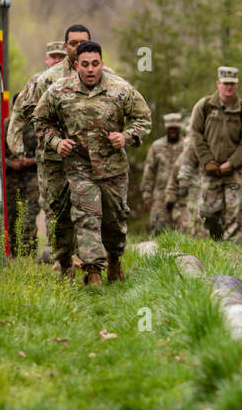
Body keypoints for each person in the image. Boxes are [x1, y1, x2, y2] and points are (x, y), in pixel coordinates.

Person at [33, 39, 152, 285]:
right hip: (78, 167)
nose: (90, 69)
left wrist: (126, 136)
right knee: (86, 218)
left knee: (115, 222)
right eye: (85, 64)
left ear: (102, 64)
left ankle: (115, 259)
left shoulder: (120, 89)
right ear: (76, 65)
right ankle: (93, 272)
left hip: (113, 169)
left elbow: (143, 118)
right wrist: (56, 142)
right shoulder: (59, 91)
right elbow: (40, 120)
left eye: (95, 64)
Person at [7, 25, 98, 270]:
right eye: (73, 43)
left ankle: (86, 259)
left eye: (83, 42)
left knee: (86, 207)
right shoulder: (46, 79)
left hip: (87, 157)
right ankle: (62, 259)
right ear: (66, 46)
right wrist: (14, 144)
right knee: (55, 209)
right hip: (52, 157)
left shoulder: (102, 76)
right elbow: (20, 111)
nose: (78, 47)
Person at [187, 66, 242, 241]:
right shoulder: (204, 106)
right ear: (218, 83)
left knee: (235, 214)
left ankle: (233, 253)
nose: (229, 87)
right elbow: (195, 133)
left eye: (232, 84)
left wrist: (232, 163)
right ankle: (216, 241)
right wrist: (207, 160)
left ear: (237, 85)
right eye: (226, 83)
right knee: (208, 212)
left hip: (234, 172)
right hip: (210, 171)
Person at [141, 112, 185, 233]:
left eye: (175, 128)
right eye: (170, 128)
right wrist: (146, 195)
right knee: (158, 230)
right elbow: (149, 170)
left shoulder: (186, 146)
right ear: (166, 128)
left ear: (179, 128)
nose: (173, 131)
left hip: (181, 195)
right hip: (160, 196)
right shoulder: (157, 146)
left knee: (182, 230)